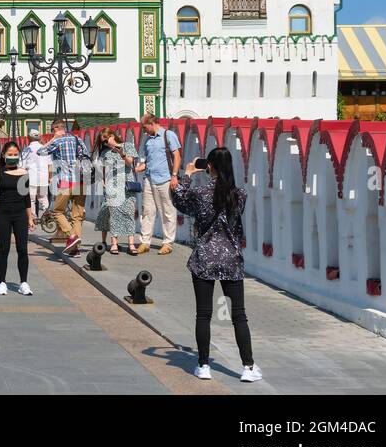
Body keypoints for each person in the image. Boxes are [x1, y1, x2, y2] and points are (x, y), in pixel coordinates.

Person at [170, 146, 261, 382]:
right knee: (238, 316)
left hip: (204, 259)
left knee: (204, 314)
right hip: (230, 259)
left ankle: (203, 365)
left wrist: (187, 174)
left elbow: (178, 199)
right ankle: (248, 367)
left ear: (208, 166)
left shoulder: (200, 193)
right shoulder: (239, 195)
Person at [0, 142, 34, 295]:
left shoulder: (23, 173)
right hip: (3, 215)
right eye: (10, 154)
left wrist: (30, 217)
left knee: (22, 249)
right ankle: (2, 282)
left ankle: (24, 283)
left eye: (15, 154)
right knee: (4, 249)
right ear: (3, 155)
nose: (13, 157)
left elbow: (26, 197)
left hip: (20, 214)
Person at [136, 113, 182, 254]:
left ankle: (168, 243)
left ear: (151, 123)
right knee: (147, 211)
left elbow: (177, 156)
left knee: (167, 211)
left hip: (165, 179)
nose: (144, 130)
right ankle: (145, 242)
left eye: (144, 127)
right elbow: (146, 160)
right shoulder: (147, 139)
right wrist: (140, 167)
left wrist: (174, 175)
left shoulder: (168, 135)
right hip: (149, 178)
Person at [40, 119, 86, 255]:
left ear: (55, 129)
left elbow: (41, 152)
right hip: (82, 181)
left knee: (57, 212)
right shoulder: (78, 139)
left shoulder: (57, 141)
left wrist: (52, 139)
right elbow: (87, 156)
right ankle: (75, 250)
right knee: (77, 217)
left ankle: (72, 236)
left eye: (52, 131)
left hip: (66, 182)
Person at [95, 127, 139, 256]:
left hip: (127, 184)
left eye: (106, 140)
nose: (106, 144)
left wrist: (119, 150)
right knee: (114, 215)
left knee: (129, 213)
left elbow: (130, 163)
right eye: (103, 142)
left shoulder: (127, 146)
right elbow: (99, 169)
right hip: (112, 186)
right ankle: (114, 243)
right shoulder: (105, 153)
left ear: (113, 136)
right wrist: (102, 181)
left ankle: (131, 244)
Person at [22, 128, 51, 223]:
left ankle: (33, 217)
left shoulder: (27, 150)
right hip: (43, 178)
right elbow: (50, 165)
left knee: (31, 199)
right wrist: (49, 177)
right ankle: (46, 213)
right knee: (43, 197)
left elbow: (22, 165)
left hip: (31, 178)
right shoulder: (45, 148)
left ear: (28, 138)